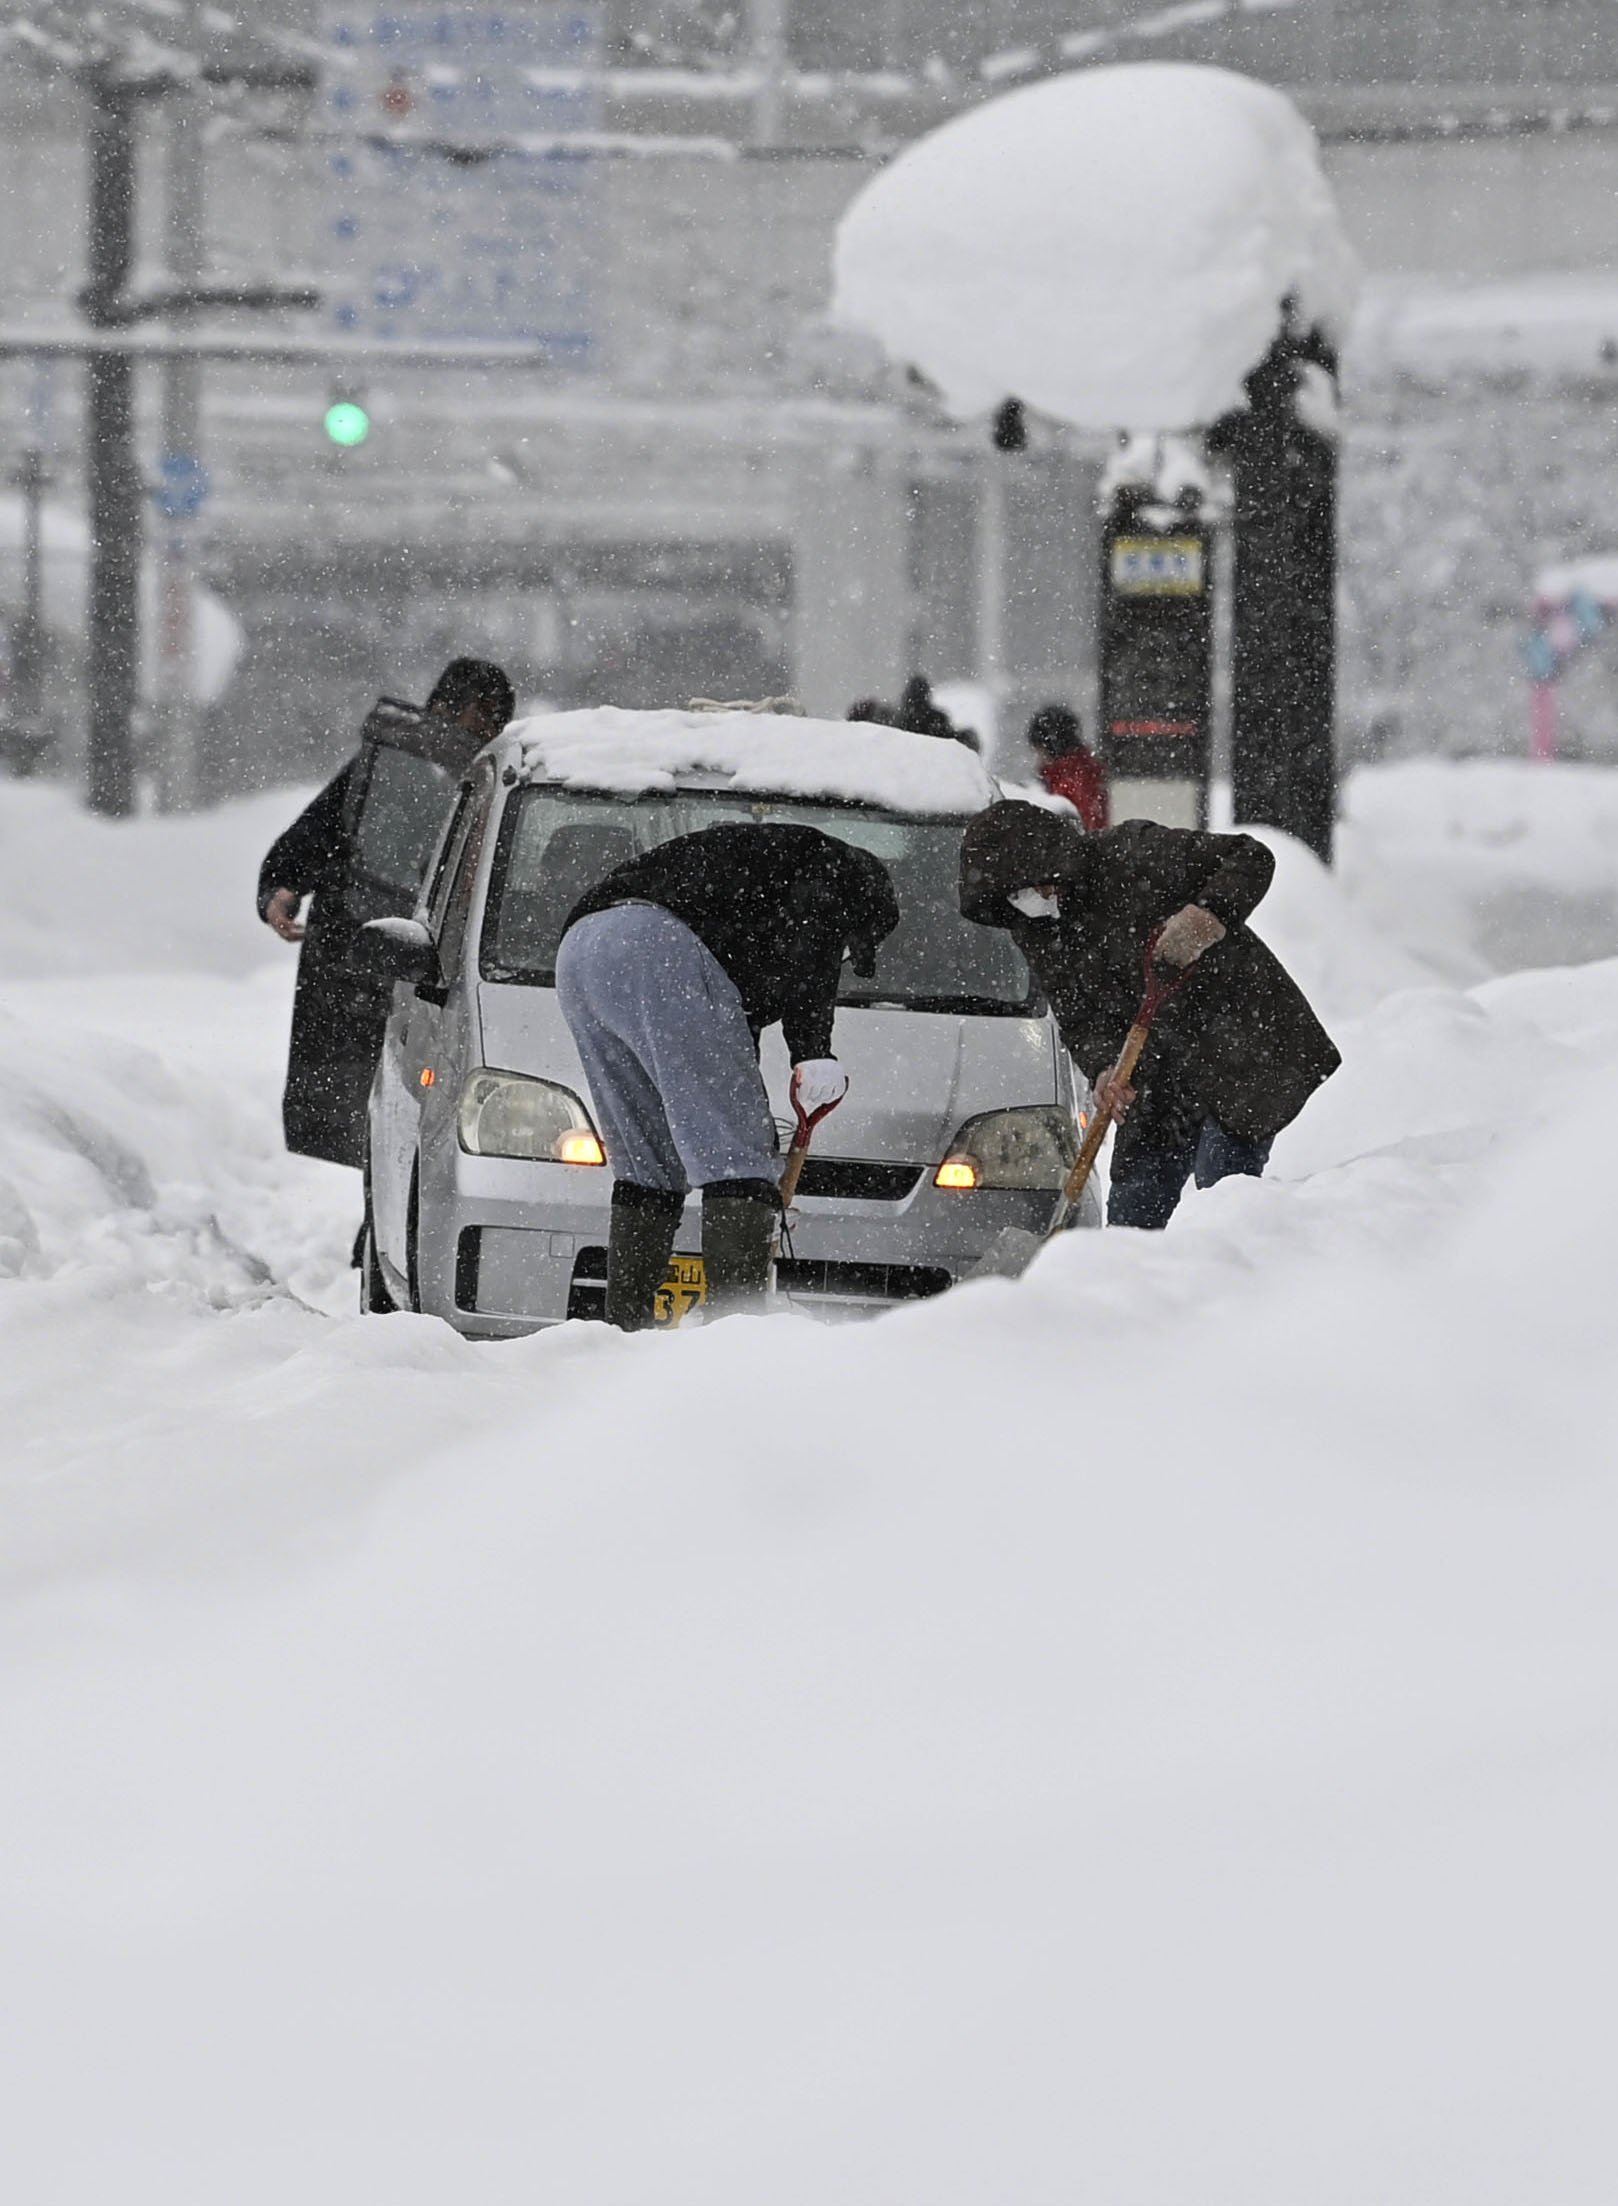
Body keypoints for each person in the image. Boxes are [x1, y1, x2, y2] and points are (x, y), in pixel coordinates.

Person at [555, 823, 899, 1327]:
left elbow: (728, 1039)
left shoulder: (752, 900)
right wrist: (812, 1050)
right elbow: (816, 939)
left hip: (582, 953)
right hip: (659, 948)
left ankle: (624, 1327)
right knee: (739, 1159)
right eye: (851, 949)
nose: (842, 960)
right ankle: (734, 1333)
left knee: (648, 1160)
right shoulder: (837, 871)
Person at [959, 799, 1339, 1228]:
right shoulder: (1036, 928)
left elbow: (1249, 857)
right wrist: (1104, 1068)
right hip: (1156, 1070)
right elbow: (1080, 1015)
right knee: (1134, 1208)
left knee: (1222, 1194)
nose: (1033, 899)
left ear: (1052, 860)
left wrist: (1205, 917)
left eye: (1033, 885)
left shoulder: (1132, 854)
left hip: (1237, 1041)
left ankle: (1222, 1284)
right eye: (1015, 894)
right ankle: (1125, 1287)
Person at [258, 657, 515, 1173]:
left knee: (419, 1108)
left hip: (433, 974)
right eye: (478, 714)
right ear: (442, 707)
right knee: (364, 1103)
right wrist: (281, 889)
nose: (486, 728)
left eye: (497, 718)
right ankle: (378, 1214)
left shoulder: (490, 784)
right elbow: (319, 833)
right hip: (357, 960)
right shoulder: (391, 772)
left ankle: (384, 1214)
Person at [1027, 702, 1108, 833]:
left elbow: (1086, 825)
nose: (1038, 759)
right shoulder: (1084, 771)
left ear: (1050, 748)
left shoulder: (1072, 779)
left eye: (1039, 751)